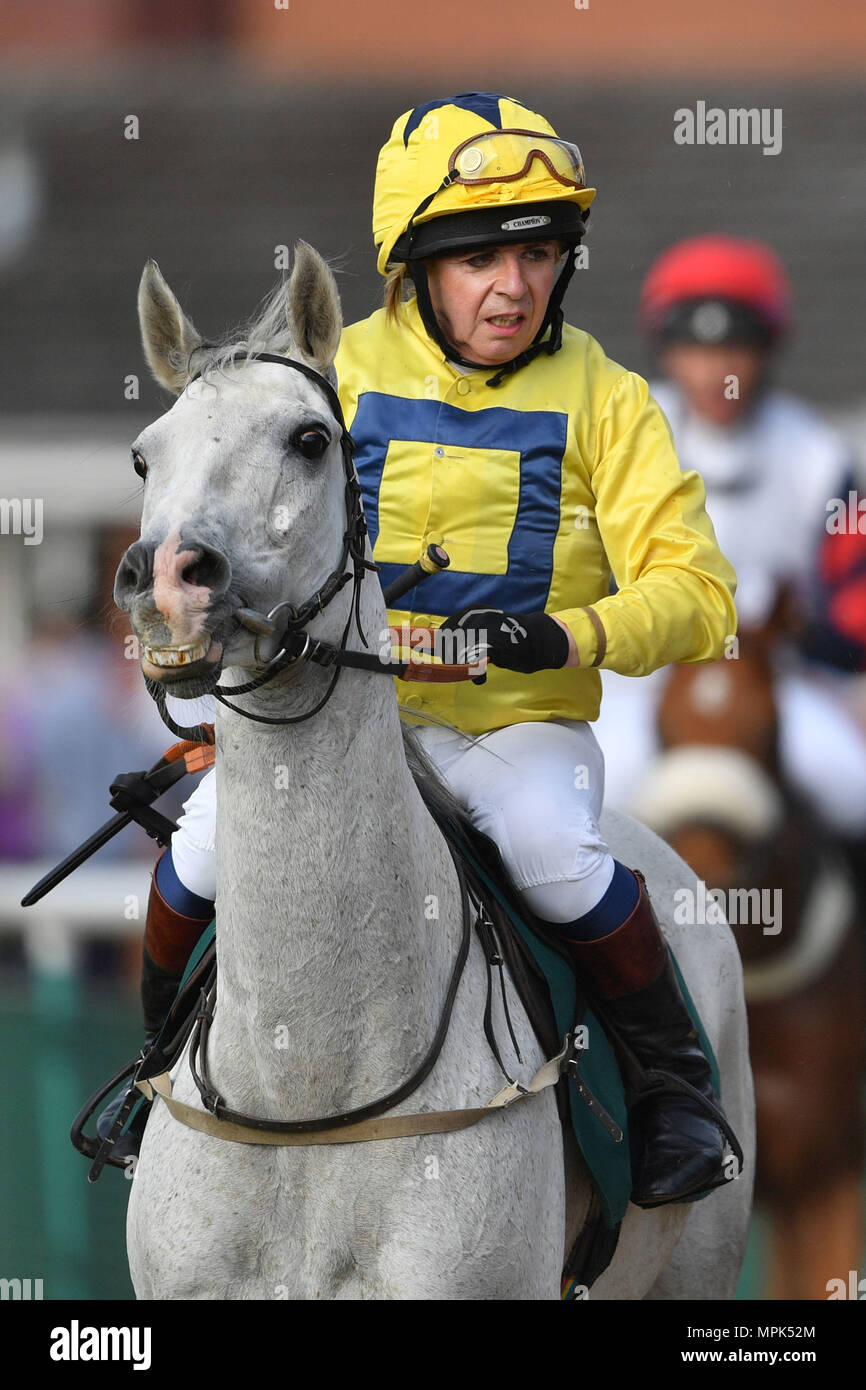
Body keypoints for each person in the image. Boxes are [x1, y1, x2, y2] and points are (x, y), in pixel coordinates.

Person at [101, 93, 739, 1208]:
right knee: (198, 851)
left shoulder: (606, 398)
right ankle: (151, 1072)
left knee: (549, 844)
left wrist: (557, 631)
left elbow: (698, 595)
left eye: (538, 253)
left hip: (516, 728)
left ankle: (674, 1090)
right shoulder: (323, 374)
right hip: (342, 725)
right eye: (480, 258)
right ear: (411, 269)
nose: (514, 285)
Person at [595, 234, 866, 866]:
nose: (717, 371)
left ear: (767, 350)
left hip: (775, 679)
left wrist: (799, 632)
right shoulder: (625, 431)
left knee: (853, 788)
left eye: (736, 346)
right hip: (637, 681)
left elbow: (854, 605)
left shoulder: (816, 452)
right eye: (695, 347)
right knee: (586, 794)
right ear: (666, 349)